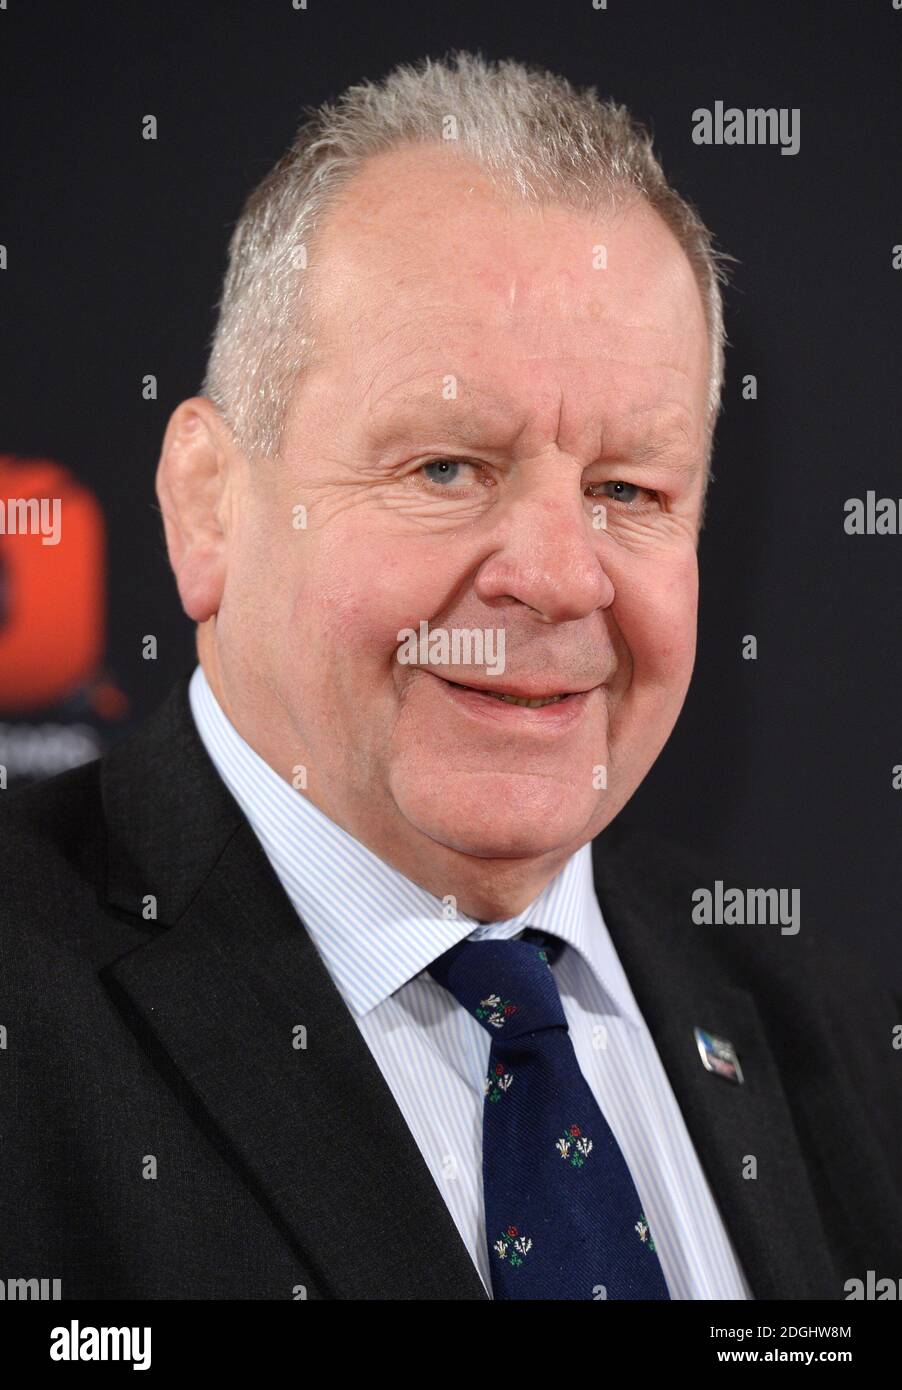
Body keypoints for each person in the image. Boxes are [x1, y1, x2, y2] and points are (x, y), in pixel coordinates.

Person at [2, 52, 900, 1301]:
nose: (555, 575)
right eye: (445, 468)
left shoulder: (836, 1044)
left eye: (626, 490)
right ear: (208, 508)